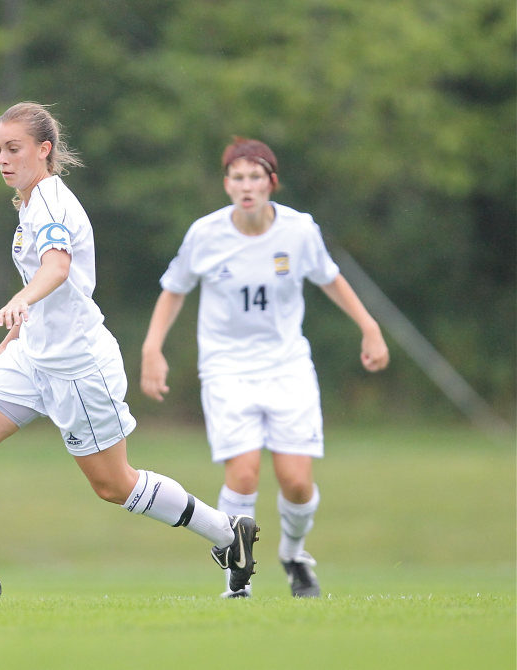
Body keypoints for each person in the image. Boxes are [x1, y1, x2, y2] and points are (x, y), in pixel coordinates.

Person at [0, 102, 259, 599]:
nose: (2, 158)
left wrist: (20, 300)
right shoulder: (29, 202)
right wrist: (8, 343)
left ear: (44, 150)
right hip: (32, 357)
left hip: (78, 367)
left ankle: (225, 533)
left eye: (13, 148)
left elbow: (57, 268)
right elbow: (49, 293)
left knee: (114, 485)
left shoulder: (51, 203)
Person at [140, 137, 390, 598]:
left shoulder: (299, 230)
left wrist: (369, 326)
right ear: (227, 185)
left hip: (287, 366)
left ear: (271, 182)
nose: (246, 186)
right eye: (237, 177)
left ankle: (294, 555)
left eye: (255, 177)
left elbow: (330, 278)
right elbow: (174, 289)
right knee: (244, 475)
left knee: (296, 482)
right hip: (226, 368)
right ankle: (237, 581)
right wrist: (152, 348)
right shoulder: (205, 234)